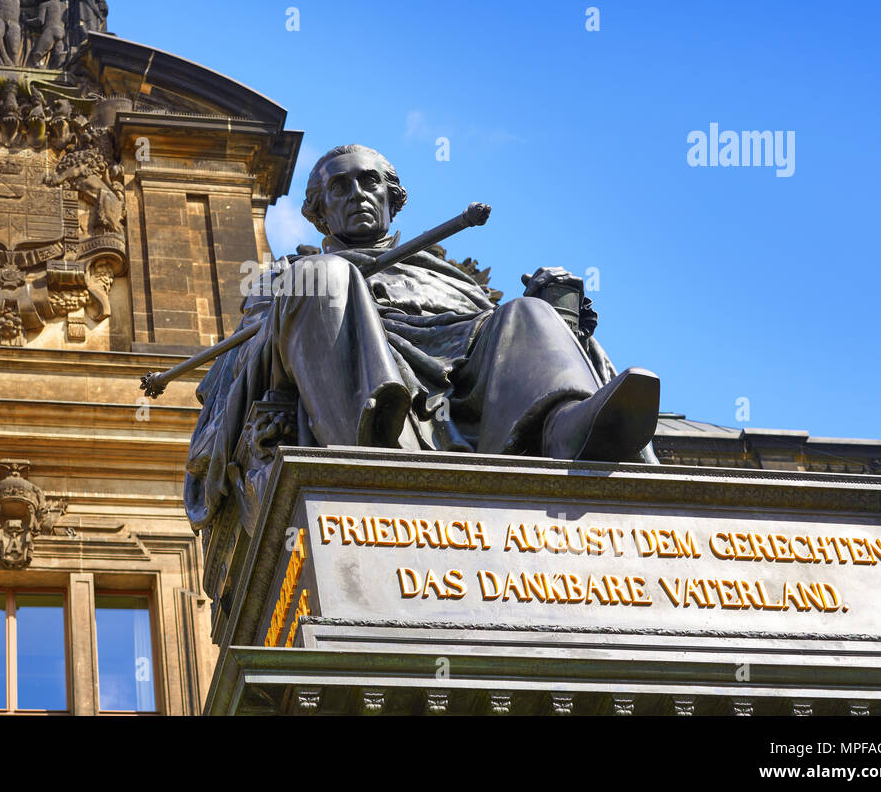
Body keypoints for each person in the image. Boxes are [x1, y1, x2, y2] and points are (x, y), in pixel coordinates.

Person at [183, 144, 660, 530]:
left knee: (528, 312)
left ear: (392, 199)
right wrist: (316, 288)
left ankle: (563, 429)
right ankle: (371, 461)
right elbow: (238, 368)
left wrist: (557, 316)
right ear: (321, 213)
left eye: (370, 182)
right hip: (369, 408)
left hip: (461, 387)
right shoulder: (293, 276)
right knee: (323, 276)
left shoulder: (452, 279)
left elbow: (489, 341)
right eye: (339, 187)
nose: (357, 194)